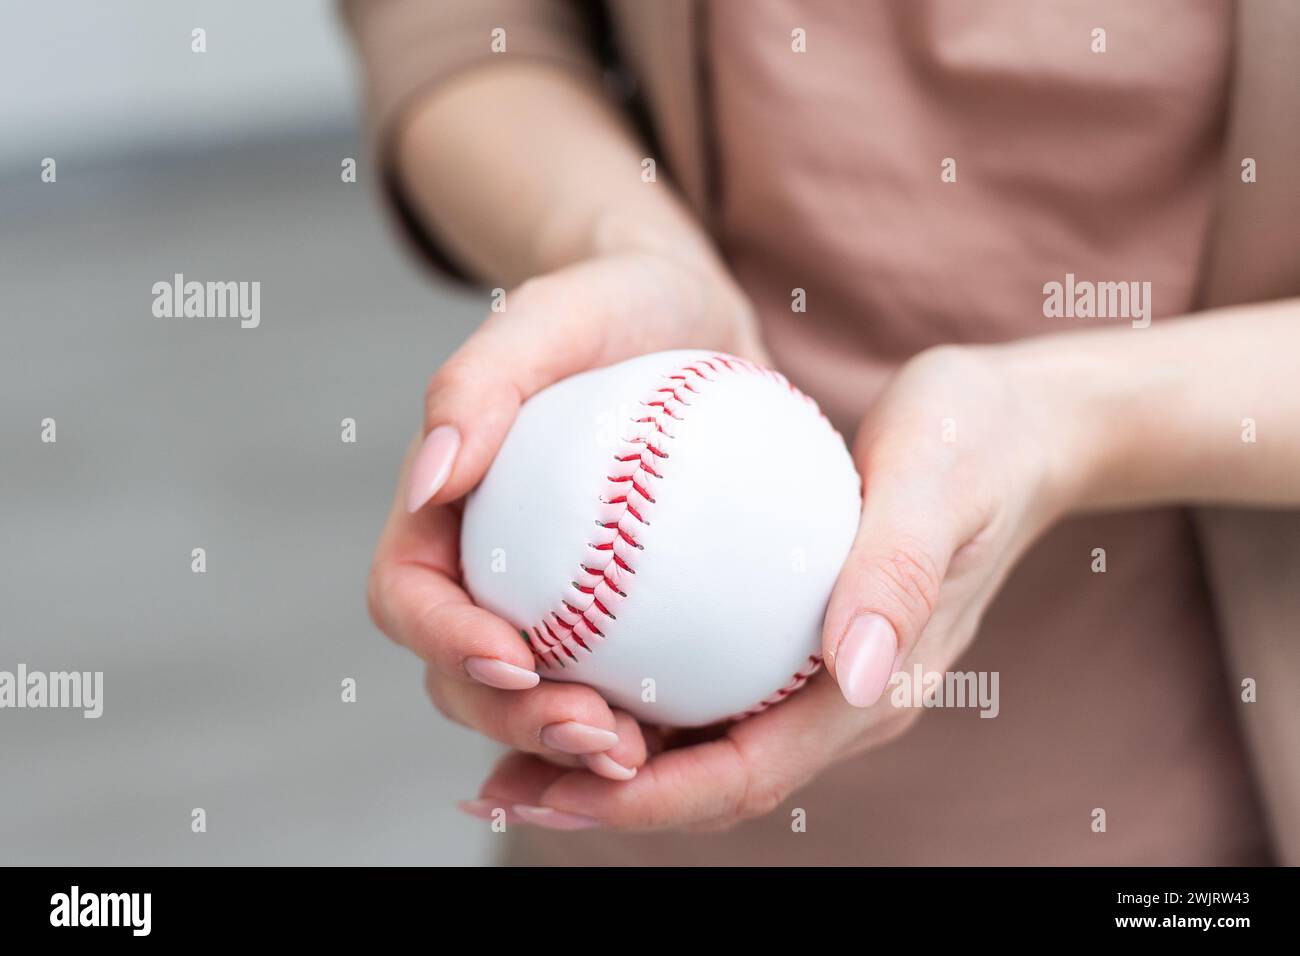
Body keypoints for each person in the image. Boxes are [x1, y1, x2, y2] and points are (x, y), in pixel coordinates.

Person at [342, 0, 1300, 865]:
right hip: (652, 785)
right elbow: (462, 24)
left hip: (1198, 787)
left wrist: (1066, 423)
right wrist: (620, 243)